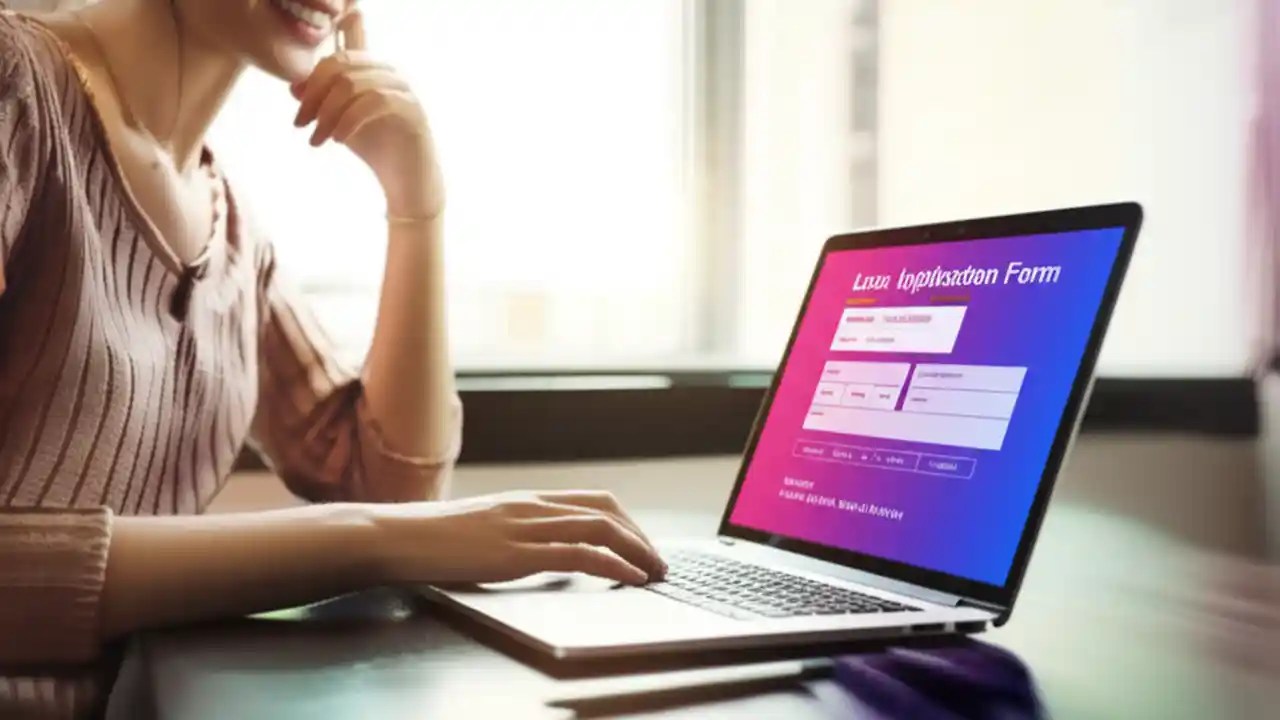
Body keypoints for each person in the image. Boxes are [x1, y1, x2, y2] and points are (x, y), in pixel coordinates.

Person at [0, 0, 666, 716]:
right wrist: (370, 540)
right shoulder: (16, 88)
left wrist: (417, 201)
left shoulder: (231, 230)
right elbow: (393, 527)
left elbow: (386, 489)